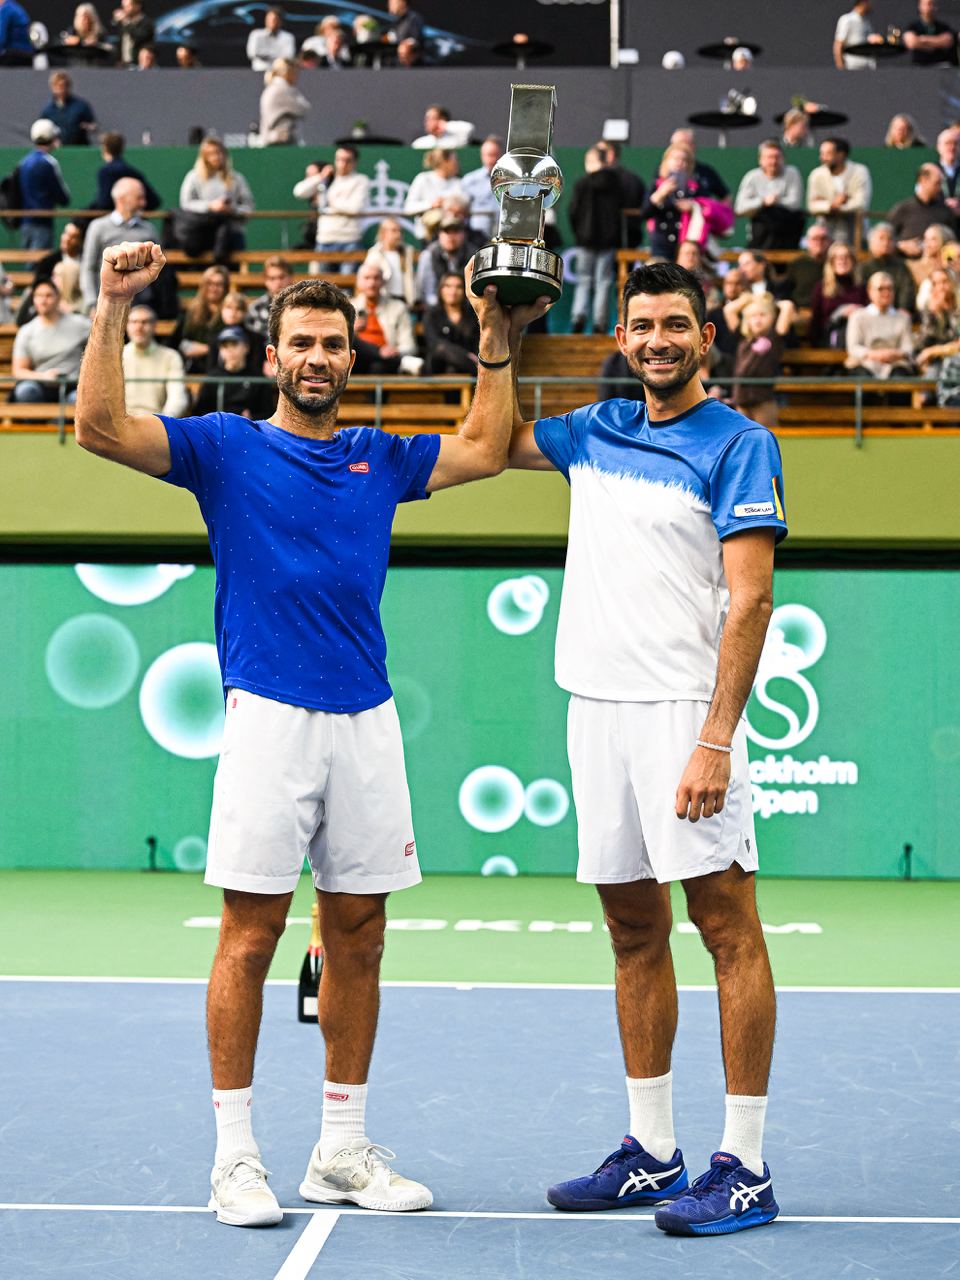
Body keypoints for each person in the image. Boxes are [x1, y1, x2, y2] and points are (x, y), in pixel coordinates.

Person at [74, 236, 549, 1230]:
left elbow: (483, 445)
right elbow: (99, 429)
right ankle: (235, 1158)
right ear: (273, 357)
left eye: (333, 343)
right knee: (249, 935)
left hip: (366, 716)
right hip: (269, 715)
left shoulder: (382, 456)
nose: (318, 357)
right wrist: (111, 304)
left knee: (359, 935)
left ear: (351, 355)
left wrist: (496, 337)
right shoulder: (224, 447)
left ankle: (340, 1148)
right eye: (301, 342)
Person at [499, 260, 786, 1235]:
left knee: (726, 925)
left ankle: (745, 1165)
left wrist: (715, 737)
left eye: (675, 324)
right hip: (596, 709)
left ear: (706, 337)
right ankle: (654, 1152)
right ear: (620, 338)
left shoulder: (739, 443)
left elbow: (751, 599)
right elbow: (490, 440)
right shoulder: (594, 429)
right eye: (643, 325)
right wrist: (499, 335)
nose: (658, 339)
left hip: (681, 714)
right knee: (631, 928)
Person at [80, 177, 161, 313]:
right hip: (107, 302)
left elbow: (160, 269)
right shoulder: (98, 227)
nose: (144, 203)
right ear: (122, 199)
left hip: (142, 305)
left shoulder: (149, 229)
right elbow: (88, 267)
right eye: (139, 198)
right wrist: (92, 304)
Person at [568, 145, 622, 335]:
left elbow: (573, 212)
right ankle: (600, 323)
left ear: (590, 162)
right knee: (604, 282)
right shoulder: (616, 184)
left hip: (585, 240)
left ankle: (578, 318)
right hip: (608, 241)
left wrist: (579, 233)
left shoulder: (582, 184)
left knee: (584, 280)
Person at [176, 136, 255, 264]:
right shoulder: (193, 177)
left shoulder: (237, 178)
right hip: (201, 235)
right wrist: (210, 206)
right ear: (204, 156)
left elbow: (248, 207)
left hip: (231, 235)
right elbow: (185, 204)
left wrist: (231, 209)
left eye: (219, 152)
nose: (216, 157)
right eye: (211, 154)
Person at [292, 146, 370, 276]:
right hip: (324, 240)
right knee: (323, 286)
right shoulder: (328, 179)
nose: (342, 164)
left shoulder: (361, 180)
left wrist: (330, 200)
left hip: (350, 241)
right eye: (339, 159)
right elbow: (299, 192)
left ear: (355, 162)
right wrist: (320, 176)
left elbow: (355, 208)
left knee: (345, 286)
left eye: (347, 160)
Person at [12, 278, 91, 403]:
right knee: (25, 391)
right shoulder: (26, 331)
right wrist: (42, 376)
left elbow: (101, 350)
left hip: (73, 385)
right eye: (39, 296)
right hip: (40, 384)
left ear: (58, 298)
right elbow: (18, 371)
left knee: (79, 398)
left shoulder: (81, 324)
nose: (43, 301)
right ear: (33, 299)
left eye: (48, 295)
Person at [732, 294, 796, 428]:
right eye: (753, 316)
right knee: (744, 436)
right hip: (741, 396)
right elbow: (729, 310)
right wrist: (747, 299)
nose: (758, 319)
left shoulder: (774, 336)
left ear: (772, 317)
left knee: (766, 434)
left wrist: (771, 303)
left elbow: (788, 306)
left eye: (763, 315)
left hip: (763, 397)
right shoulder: (743, 338)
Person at [192, 326, 277, 420]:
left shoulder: (257, 378)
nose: (230, 350)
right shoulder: (212, 378)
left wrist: (251, 418)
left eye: (234, 344)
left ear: (246, 347)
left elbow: (269, 414)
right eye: (225, 346)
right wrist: (217, 419)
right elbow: (199, 412)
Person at [734, 140, 805, 251]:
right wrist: (763, 202)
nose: (773, 161)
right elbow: (740, 208)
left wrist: (776, 201)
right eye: (769, 157)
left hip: (787, 236)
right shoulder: (751, 177)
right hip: (760, 238)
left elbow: (795, 203)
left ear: (783, 159)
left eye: (777, 157)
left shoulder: (792, 173)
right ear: (760, 160)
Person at [351, 261, 420, 374]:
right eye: (367, 278)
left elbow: (410, 346)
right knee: (351, 338)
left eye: (376, 278)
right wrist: (352, 330)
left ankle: (382, 355)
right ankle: (380, 353)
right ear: (359, 282)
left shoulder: (398, 308)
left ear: (383, 282)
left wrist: (395, 351)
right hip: (357, 360)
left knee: (378, 367)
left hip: (386, 361)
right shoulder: (349, 307)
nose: (372, 283)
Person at [122, 305, 189, 417]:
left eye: (145, 322)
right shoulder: (116, 356)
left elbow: (177, 398)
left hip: (156, 421)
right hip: (121, 423)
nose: (139, 327)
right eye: (134, 322)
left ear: (154, 326)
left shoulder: (170, 357)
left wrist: (163, 421)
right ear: (126, 326)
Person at [845, 271, 915, 378]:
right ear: (870, 291)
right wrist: (873, 355)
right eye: (881, 289)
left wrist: (895, 354)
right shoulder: (858, 317)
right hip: (865, 364)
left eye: (889, 288)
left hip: (895, 364)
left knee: (900, 377)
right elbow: (853, 347)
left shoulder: (903, 318)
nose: (886, 293)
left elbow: (908, 347)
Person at [805, 137, 872, 244]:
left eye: (828, 154)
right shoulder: (816, 175)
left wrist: (833, 206)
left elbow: (861, 203)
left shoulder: (860, 171)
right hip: (825, 236)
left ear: (841, 155)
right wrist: (832, 205)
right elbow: (812, 205)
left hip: (855, 233)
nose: (822, 158)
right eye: (822, 154)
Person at [19, 120, 71, 252]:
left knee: (28, 260)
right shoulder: (49, 163)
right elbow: (63, 197)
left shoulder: (24, 162)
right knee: (40, 262)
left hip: (26, 222)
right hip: (43, 223)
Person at [169, 263, 229, 372]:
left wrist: (207, 349)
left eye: (219, 284)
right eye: (210, 283)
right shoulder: (190, 313)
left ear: (225, 288)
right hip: (191, 368)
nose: (214, 288)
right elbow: (176, 342)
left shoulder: (230, 313)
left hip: (221, 368)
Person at [888, 164, 956, 258]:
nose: (940, 188)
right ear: (923, 180)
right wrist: (901, 246)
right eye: (937, 183)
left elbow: (954, 243)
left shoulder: (945, 211)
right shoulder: (902, 209)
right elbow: (887, 238)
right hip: (905, 264)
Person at [808, 241, 866, 346]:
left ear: (853, 261)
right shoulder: (821, 287)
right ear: (831, 262)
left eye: (846, 257)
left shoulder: (862, 287)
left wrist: (857, 311)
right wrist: (841, 313)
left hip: (859, 334)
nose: (842, 261)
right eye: (838, 257)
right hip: (831, 335)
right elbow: (816, 320)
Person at [422, 271, 480, 374]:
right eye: (448, 286)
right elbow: (434, 344)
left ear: (465, 290)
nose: (453, 291)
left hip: (465, 369)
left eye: (458, 287)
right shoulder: (432, 314)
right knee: (441, 349)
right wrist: (465, 355)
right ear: (440, 289)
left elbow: (478, 344)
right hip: (438, 365)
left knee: (452, 369)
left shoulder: (473, 315)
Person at [404, 148, 463, 243]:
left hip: (454, 237)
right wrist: (432, 205)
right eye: (454, 161)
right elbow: (408, 208)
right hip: (429, 237)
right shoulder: (423, 179)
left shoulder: (458, 182)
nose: (457, 164)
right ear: (444, 162)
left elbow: (465, 204)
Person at [92, 132, 161, 212]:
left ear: (104, 149)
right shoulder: (133, 172)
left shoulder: (106, 172)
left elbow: (104, 203)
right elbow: (154, 201)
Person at [415, 215, 471, 308]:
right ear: (439, 235)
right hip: (435, 309)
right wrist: (444, 309)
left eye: (455, 231)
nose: (451, 237)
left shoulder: (472, 254)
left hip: (466, 309)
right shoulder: (429, 254)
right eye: (446, 231)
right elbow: (427, 292)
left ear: (463, 234)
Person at [860, 222, 917, 313]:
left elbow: (907, 292)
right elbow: (861, 294)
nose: (886, 243)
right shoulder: (863, 268)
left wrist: (903, 309)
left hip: (896, 314)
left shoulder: (901, 267)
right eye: (881, 238)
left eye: (890, 239)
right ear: (871, 243)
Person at [915, 267, 960, 376]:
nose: (941, 287)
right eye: (935, 284)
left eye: (944, 282)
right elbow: (923, 344)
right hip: (937, 360)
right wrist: (933, 315)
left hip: (955, 358)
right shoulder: (929, 310)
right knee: (932, 373)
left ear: (953, 283)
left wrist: (933, 351)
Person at [363, 217, 417, 308]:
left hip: (405, 302)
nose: (398, 234)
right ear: (383, 233)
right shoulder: (374, 253)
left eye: (400, 231)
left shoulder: (406, 252)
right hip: (384, 302)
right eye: (394, 231)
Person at [460, 136, 503, 241]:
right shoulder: (470, 180)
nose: (492, 159)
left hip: (504, 234)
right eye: (489, 155)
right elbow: (462, 210)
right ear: (482, 156)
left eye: (495, 155)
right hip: (477, 237)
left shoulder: (511, 180)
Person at [259, 58, 310, 147]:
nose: (297, 76)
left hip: (271, 139)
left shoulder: (271, 88)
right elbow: (304, 109)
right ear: (287, 72)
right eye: (295, 72)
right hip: (281, 141)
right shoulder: (283, 89)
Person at [780, 222, 831, 309]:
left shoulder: (834, 263)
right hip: (801, 309)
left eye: (823, 238)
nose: (819, 242)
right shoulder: (797, 264)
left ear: (829, 241)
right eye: (815, 239)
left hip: (828, 309)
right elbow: (787, 290)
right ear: (808, 241)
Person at [39, 71, 97, 147]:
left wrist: (89, 127)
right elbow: (43, 131)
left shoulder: (81, 106)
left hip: (79, 148)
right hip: (57, 150)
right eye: (58, 86)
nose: (62, 90)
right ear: (53, 87)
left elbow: (93, 124)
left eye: (64, 86)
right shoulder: (48, 110)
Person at [246, 255, 293, 337]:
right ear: (266, 281)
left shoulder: (301, 306)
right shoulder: (256, 308)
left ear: (290, 277)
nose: (278, 282)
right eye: (272, 278)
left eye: (282, 277)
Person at [902, 0, 958, 65]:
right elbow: (911, 43)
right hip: (919, 65)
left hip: (941, 65)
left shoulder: (943, 27)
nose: (929, 7)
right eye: (926, 4)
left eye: (931, 4)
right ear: (920, 6)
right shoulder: (913, 26)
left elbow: (948, 41)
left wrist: (923, 39)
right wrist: (938, 42)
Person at [833, 0, 881, 68]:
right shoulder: (846, 20)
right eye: (868, 2)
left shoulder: (867, 22)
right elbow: (838, 44)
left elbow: (868, 41)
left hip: (868, 67)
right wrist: (840, 67)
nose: (870, 5)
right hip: (852, 67)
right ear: (862, 2)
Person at [246, 6, 295, 71]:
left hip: (280, 72)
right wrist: (276, 56)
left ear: (280, 21)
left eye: (274, 19)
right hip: (259, 70)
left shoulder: (288, 37)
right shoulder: (256, 34)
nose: (271, 21)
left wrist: (265, 55)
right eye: (269, 19)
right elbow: (252, 53)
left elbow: (289, 56)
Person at [111, 0, 153, 66]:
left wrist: (126, 22)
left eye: (127, 6)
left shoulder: (146, 23)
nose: (124, 9)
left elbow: (139, 37)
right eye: (123, 6)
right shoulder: (123, 23)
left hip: (139, 64)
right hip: (123, 64)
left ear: (137, 6)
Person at [0, 0, 33, 66]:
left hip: (16, 56)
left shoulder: (6, 9)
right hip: (26, 56)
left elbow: (1, 39)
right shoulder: (14, 6)